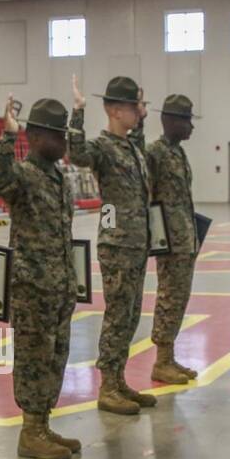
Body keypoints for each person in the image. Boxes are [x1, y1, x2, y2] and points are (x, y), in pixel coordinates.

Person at [0, 95, 80, 459]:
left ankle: (42, 423)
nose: (64, 141)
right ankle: (30, 431)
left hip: (60, 286)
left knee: (56, 357)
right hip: (33, 288)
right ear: (35, 136)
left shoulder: (58, 178)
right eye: (57, 135)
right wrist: (7, 137)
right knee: (33, 358)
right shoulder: (22, 175)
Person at [68, 73, 157, 415]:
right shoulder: (103, 147)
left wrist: (144, 122)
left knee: (132, 315)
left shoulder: (131, 147)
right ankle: (107, 386)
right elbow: (76, 154)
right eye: (135, 107)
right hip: (117, 244)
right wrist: (78, 111)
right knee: (118, 315)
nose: (139, 111)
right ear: (117, 111)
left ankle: (118, 380)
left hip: (136, 243)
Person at [146, 94, 200, 385]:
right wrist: (155, 237)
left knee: (179, 298)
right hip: (168, 240)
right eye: (186, 120)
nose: (191, 127)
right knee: (168, 296)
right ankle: (161, 361)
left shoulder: (178, 153)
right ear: (169, 121)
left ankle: (169, 357)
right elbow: (147, 196)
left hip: (184, 240)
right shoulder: (154, 153)